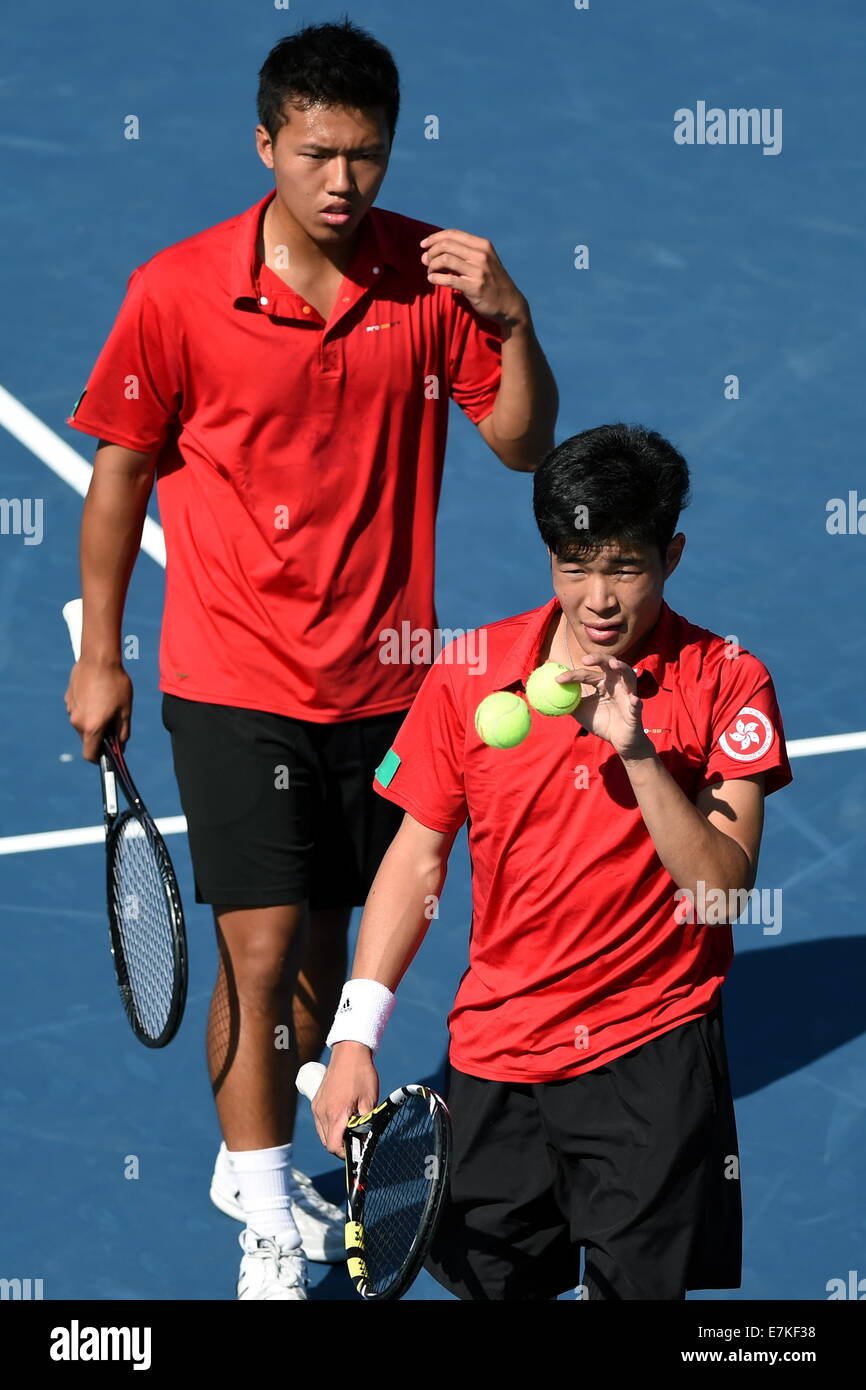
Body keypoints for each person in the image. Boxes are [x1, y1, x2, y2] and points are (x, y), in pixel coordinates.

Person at [63, 19, 558, 1300]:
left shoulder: (431, 281)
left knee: (332, 967)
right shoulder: (175, 291)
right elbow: (119, 472)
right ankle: (266, 1224)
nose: (344, 183)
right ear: (267, 143)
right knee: (260, 949)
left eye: (369, 157)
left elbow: (519, 446)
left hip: (390, 683)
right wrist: (102, 655)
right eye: (318, 154)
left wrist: (513, 318)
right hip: (234, 676)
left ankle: (268, 1144)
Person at [313, 422, 793, 1301]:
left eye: (625, 566)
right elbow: (417, 857)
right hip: (496, 1057)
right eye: (575, 564)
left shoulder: (728, 679)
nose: (599, 597)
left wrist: (640, 754)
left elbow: (722, 895)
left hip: (651, 1054)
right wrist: (355, 1033)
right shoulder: (468, 674)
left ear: (672, 555)